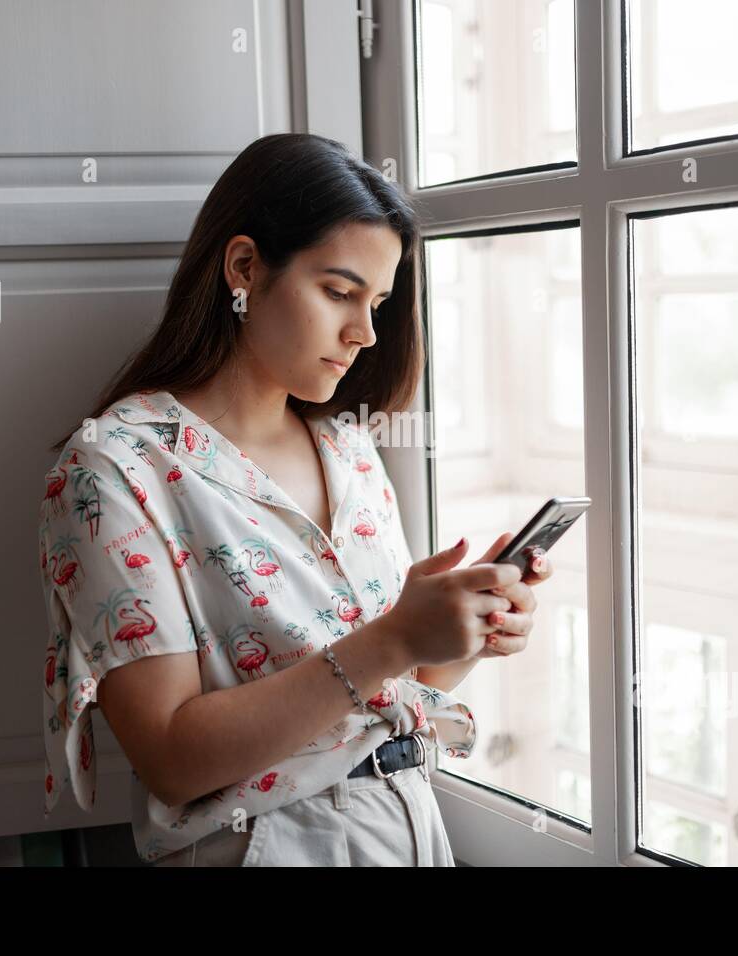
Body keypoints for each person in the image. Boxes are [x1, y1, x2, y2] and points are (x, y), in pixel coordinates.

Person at [37, 132, 554, 866]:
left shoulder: (346, 446)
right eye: (339, 292)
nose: (365, 332)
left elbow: (379, 693)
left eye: (377, 301)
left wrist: (457, 633)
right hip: (265, 845)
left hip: (408, 824)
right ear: (245, 267)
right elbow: (171, 758)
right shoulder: (114, 468)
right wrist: (394, 639)